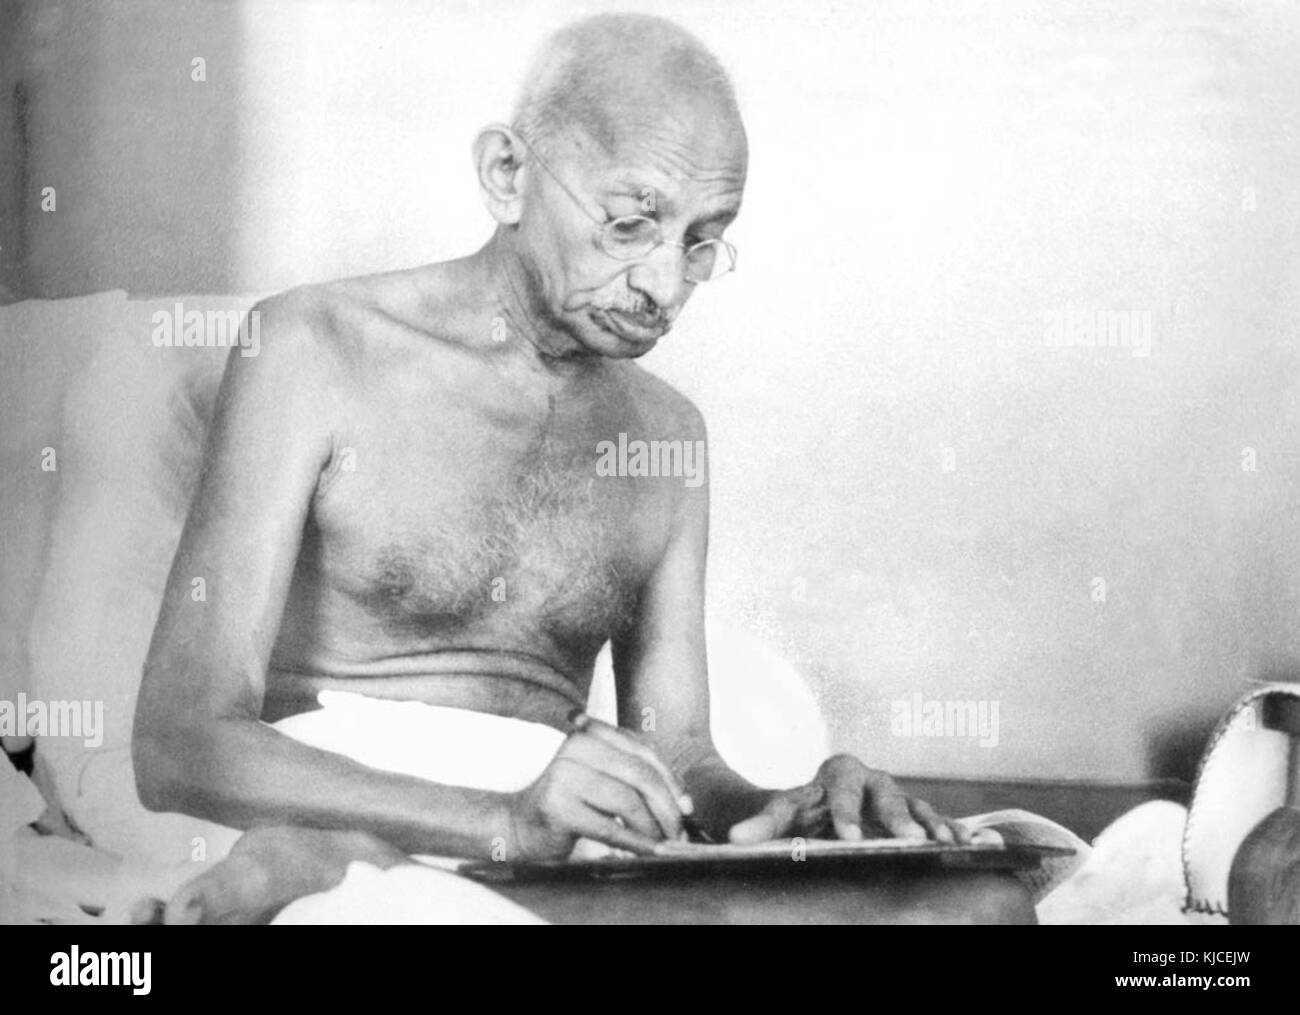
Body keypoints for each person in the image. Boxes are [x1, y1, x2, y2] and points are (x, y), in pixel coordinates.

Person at [131, 11, 1032, 924]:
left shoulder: (667, 431)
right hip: (366, 814)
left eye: (700, 239)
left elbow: (675, 758)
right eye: (633, 223)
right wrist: (497, 822)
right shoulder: (310, 349)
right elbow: (178, 742)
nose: (665, 285)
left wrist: (795, 808)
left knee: (979, 903)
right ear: (508, 175)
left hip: (557, 845)